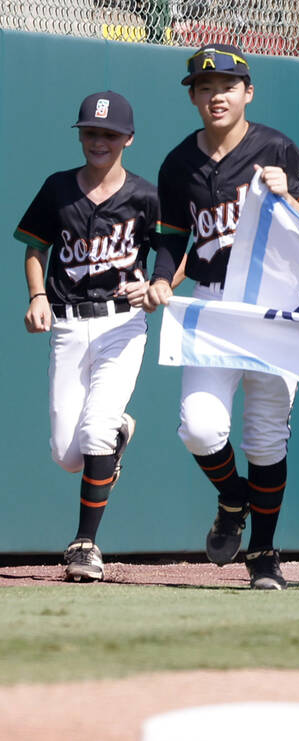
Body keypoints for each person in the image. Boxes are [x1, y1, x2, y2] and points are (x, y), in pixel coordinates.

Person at [144, 44, 299, 590]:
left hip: (275, 303)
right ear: (193, 98)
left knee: (266, 438)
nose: (216, 95)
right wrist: (161, 277)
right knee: (199, 427)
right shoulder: (178, 162)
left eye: (227, 85)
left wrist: (289, 198)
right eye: (205, 87)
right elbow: (172, 237)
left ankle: (264, 553)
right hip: (213, 298)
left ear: (248, 91)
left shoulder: (277, 147)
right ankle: (232, 497)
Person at [15, 91, 156, 582]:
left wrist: (157, 284)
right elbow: (35, 247)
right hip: (69, 323)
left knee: (95, 429)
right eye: (91, 132)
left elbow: (174, 249)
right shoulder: (58, 188)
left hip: (122, 324)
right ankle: (119, 432)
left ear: (128, 138)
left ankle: (85, 545)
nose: (99, 141)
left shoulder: (144, 195)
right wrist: (36, 295)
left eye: (110, 134)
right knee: (66, 455)